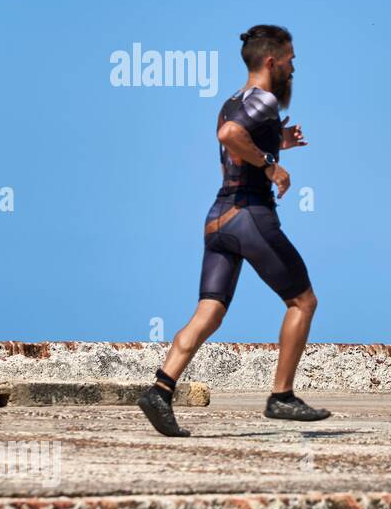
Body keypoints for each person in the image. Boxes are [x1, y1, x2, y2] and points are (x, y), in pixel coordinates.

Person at [136, 24, 329, 436]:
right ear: (272, 61)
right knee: (303, 302)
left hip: (218, 218)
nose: (294, 69)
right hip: (249, 214)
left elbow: (234, 133)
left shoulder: (232, 101)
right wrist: (271, 164)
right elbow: (232, 136)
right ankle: (282, 396)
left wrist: (280, 141)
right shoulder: (264, 99)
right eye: (291, 61)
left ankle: (160, 390)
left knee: (209, 312)